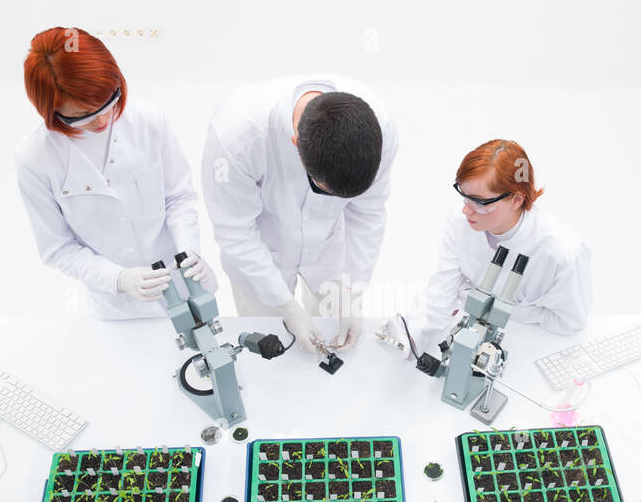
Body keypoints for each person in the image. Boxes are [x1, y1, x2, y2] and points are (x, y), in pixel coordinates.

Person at [16, 27, 215, 319]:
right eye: (82, 115)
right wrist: (118, 279)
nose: (102, 119)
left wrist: (190, 250)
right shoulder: (34, 158)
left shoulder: (148, 121)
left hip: (186, 285)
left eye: (109, 102)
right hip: (117, 308)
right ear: (49, 109)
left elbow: (179, 198)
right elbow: (57, 248)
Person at [202, 74, 396, 350]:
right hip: (260, 255)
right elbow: (235, 230)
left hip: (329, 250)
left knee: (336, 333)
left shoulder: (382, 129)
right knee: (269, 348)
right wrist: (285, 304)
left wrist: (352, 290)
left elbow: (368, 214)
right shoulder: (237, 135)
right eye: (324, 190)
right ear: (296, 145)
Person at [387, 139, 591, 352]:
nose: (467, 210)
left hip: (535, 344)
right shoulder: (460, 221)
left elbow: (570, 322)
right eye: (464, 197)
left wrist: (501, 308)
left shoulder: (562, 253)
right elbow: (443, 288)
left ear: (516, 200)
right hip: (473, 334)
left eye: (480, 202)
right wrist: (414, 334)